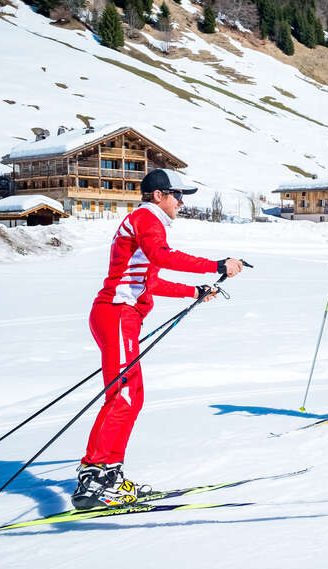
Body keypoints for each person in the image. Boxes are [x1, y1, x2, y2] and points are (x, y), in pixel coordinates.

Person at [74, 168, 244, 510]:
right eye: (177, 196)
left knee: (131, 397)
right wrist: (215, 265)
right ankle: (93, 476)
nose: (181, 203)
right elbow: (162, 257)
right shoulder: (147, 218)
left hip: (123, 316)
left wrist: (193, 291)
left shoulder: (145, 223)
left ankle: (108, 473)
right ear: (158, 196)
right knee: (122, 396)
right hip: (118, 313)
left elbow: (150, 281)